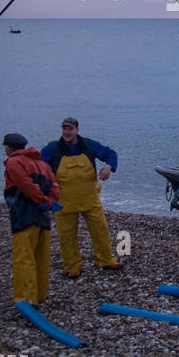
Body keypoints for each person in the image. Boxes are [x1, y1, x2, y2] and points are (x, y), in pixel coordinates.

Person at [41, 117, 123, 278]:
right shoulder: (52, 149)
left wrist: (108, 166)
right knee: (66, 235)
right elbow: (38, 167)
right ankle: (72, 266)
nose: (67, 132)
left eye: (70, 129)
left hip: (90, 199)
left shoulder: (89, 145)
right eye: (64, 129)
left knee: (101, 230)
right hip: (64, 202)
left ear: (77, 130)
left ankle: (106, 260)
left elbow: (111, 153)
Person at [3, 133, 61, 308]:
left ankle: (26, 299)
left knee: (23, 257)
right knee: (41, 256)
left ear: (8, 147)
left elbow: (26, 186)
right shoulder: (42, 164)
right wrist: (50, 202)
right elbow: (54, 186)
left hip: (24, 213)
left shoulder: (14, 162)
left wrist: (43, 201)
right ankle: (40, 295)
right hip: (43, 215)